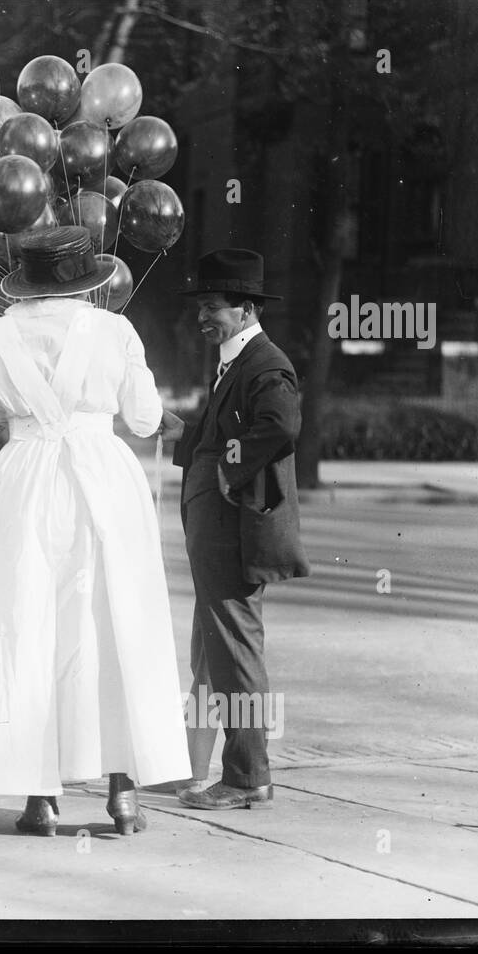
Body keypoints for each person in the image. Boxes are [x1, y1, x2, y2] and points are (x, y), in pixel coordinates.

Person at [0, 226, 192, 836]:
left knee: (23, 625)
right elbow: (145, 419)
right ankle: (123, 794)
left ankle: (35, 797)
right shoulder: (115, 330)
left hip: (24, 481)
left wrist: (17, 410)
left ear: (27, 281)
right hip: (102, 477)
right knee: (112, 619)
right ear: (86, 279)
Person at [167, 248, 310, 810]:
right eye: (201, 307)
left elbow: (281, 425)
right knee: (221, 653)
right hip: (218, 533)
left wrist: (228, 471)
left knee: (235, 653)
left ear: (246, 309)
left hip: (233, 535)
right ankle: (214, 767)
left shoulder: (264, 363)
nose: (204, 318)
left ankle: (248, 777)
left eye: (213, 308)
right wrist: (188, 437)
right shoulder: (235, 360)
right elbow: (229, 431)